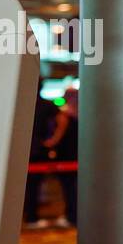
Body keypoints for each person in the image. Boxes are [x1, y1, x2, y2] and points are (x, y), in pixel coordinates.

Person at [45, 87, 79, 227]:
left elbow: (56, 138)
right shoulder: (84, 113)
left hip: (65, 157)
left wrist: (45, 144)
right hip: (78, 156)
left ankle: (71, 216)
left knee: (68, 188)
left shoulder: (64, 116)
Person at [23, 95, 59, 227]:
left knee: (27, 186)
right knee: (33, 185)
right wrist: (53, 140)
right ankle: (31, 217)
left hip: (23, 149)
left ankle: (29, 216)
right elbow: (61, 120)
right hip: (37, 150)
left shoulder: (21, 102)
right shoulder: (46, 105)